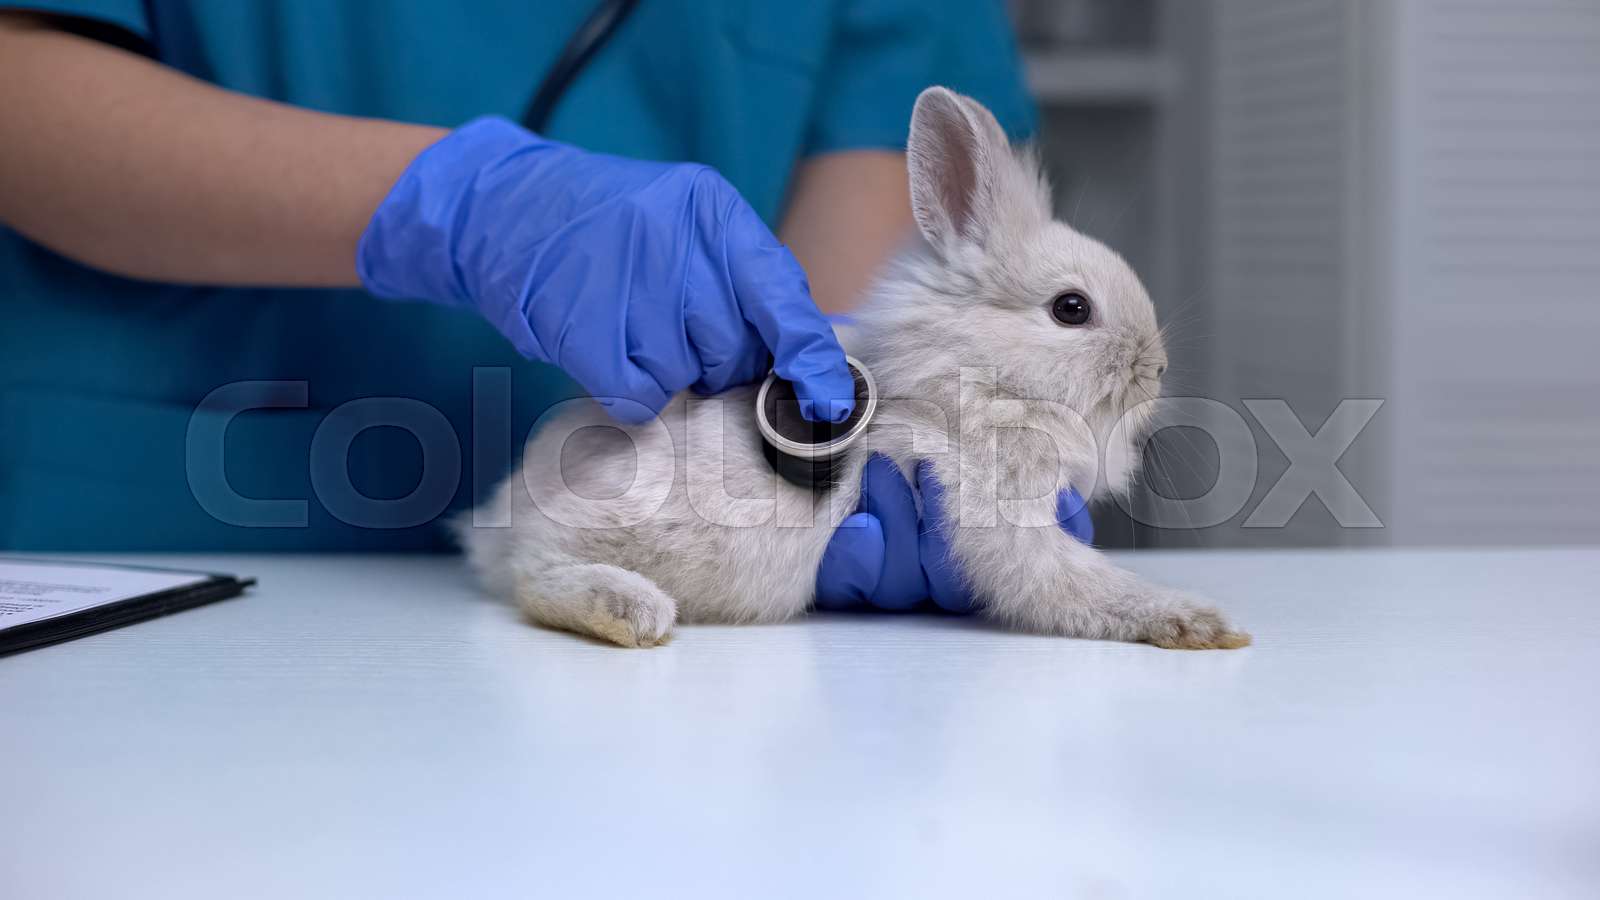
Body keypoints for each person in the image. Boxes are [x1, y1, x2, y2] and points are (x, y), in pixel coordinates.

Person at [0, 1, 1085, 612]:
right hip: (162, 550)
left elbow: (861, 240)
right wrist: (461, 207)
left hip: (645, 611)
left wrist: (836, 467)